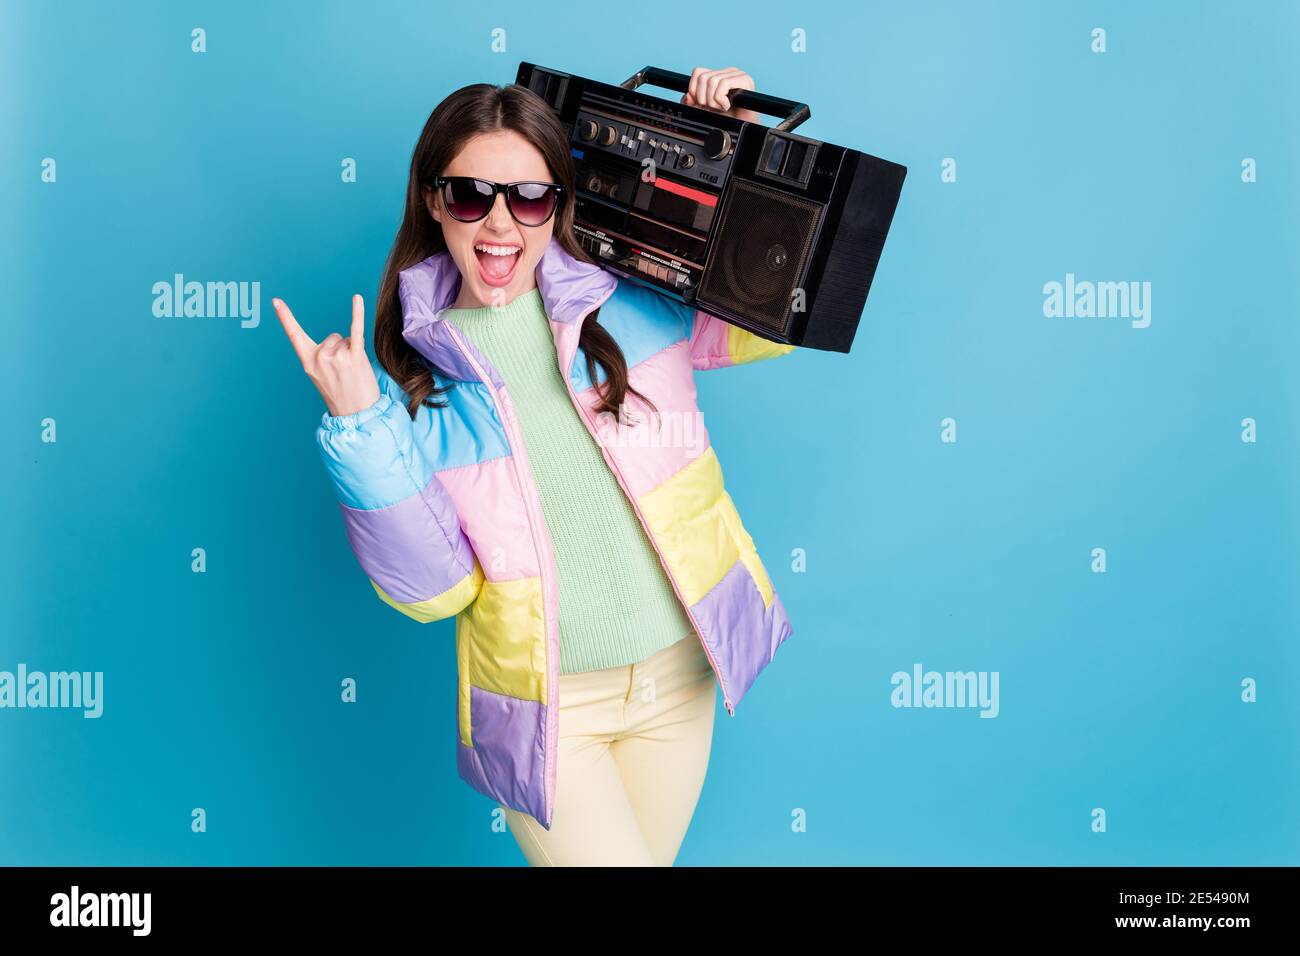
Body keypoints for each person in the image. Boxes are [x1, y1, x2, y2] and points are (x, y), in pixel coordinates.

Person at [273, 67, 795, 866]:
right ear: (431, 199)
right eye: (471, 196)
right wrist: (359, 426)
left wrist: (733, 156)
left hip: (679, 682)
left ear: (560, 204)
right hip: (553, 714)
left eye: (529, 198)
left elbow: (778, 317)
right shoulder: (407, 382)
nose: (500, 224)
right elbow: (433, 591)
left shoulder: (635, 295)